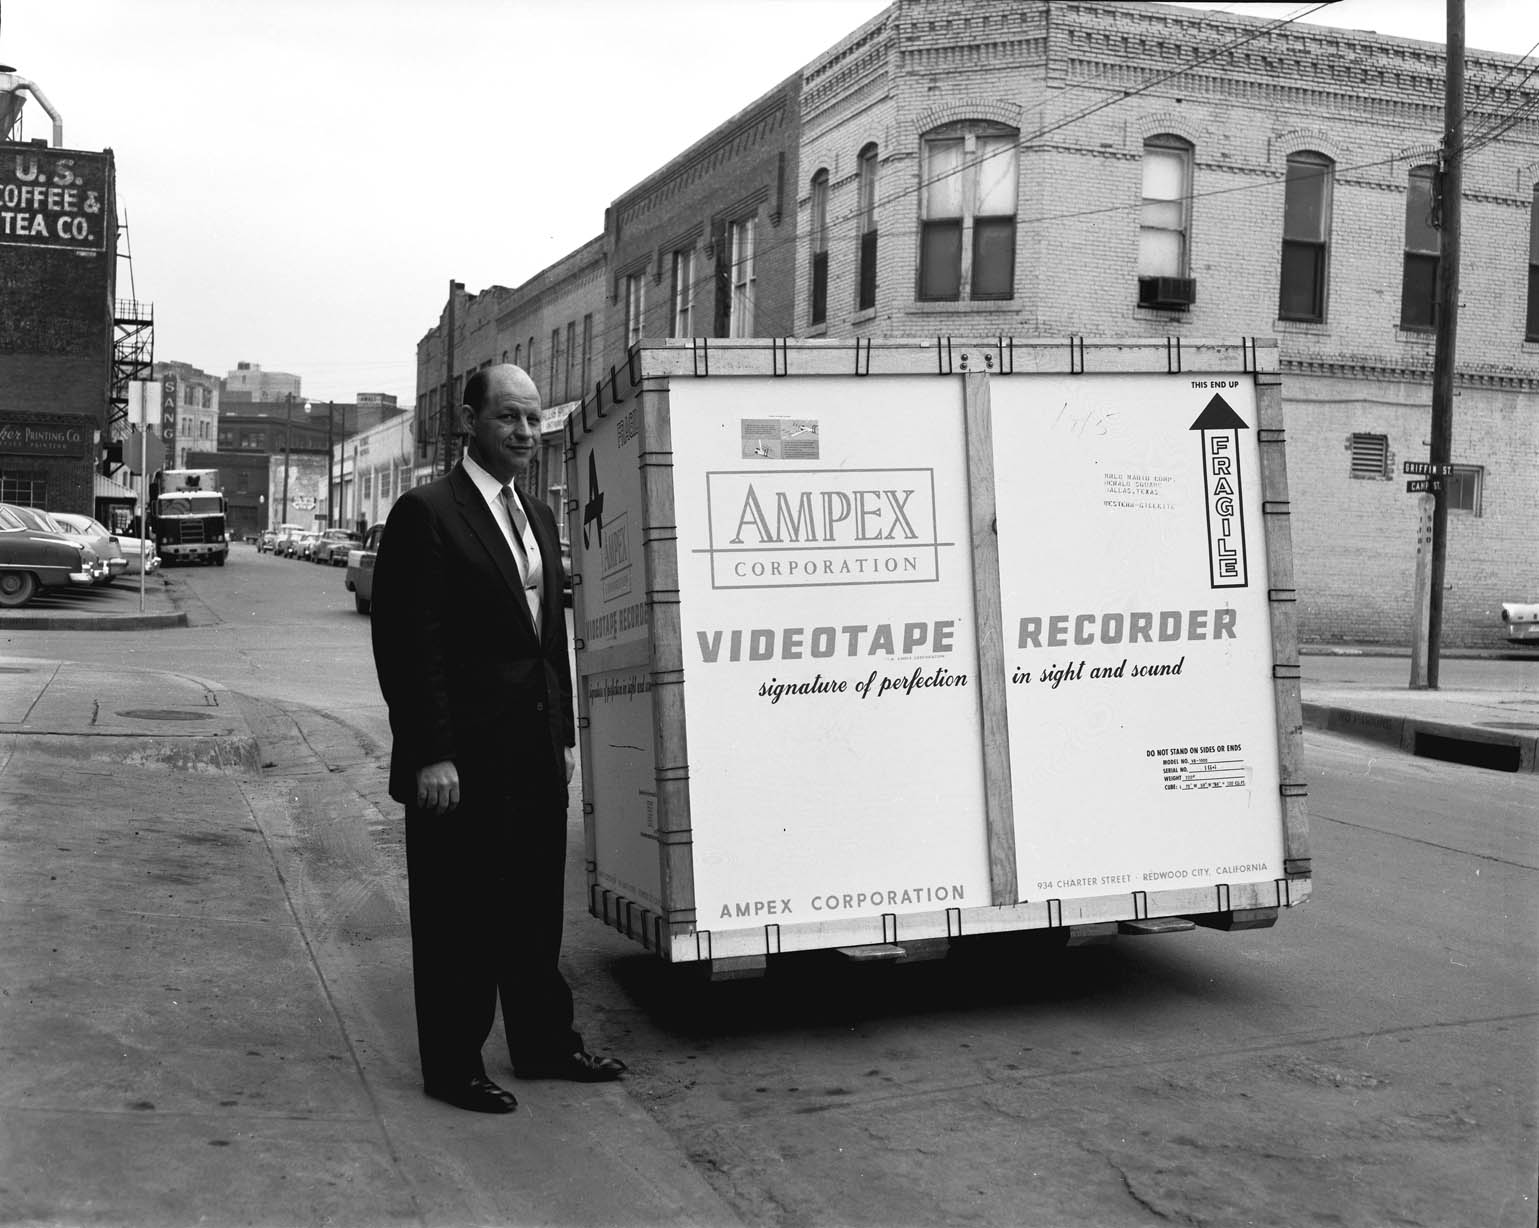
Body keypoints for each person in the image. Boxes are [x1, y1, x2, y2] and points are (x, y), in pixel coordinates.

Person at [369, 363, 624, 1114]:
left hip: (533, 753)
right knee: (459, 920)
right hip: (461, 761)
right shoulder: (429, 512)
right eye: (509, 417)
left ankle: (545, 1045)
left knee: (534, 910)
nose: (524, 432)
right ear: (471, 423)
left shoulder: (537, 518)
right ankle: (453, 1066)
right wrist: (431, 752)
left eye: (533, 419)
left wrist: (563, 740)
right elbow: (409, 646)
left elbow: (547, 640)